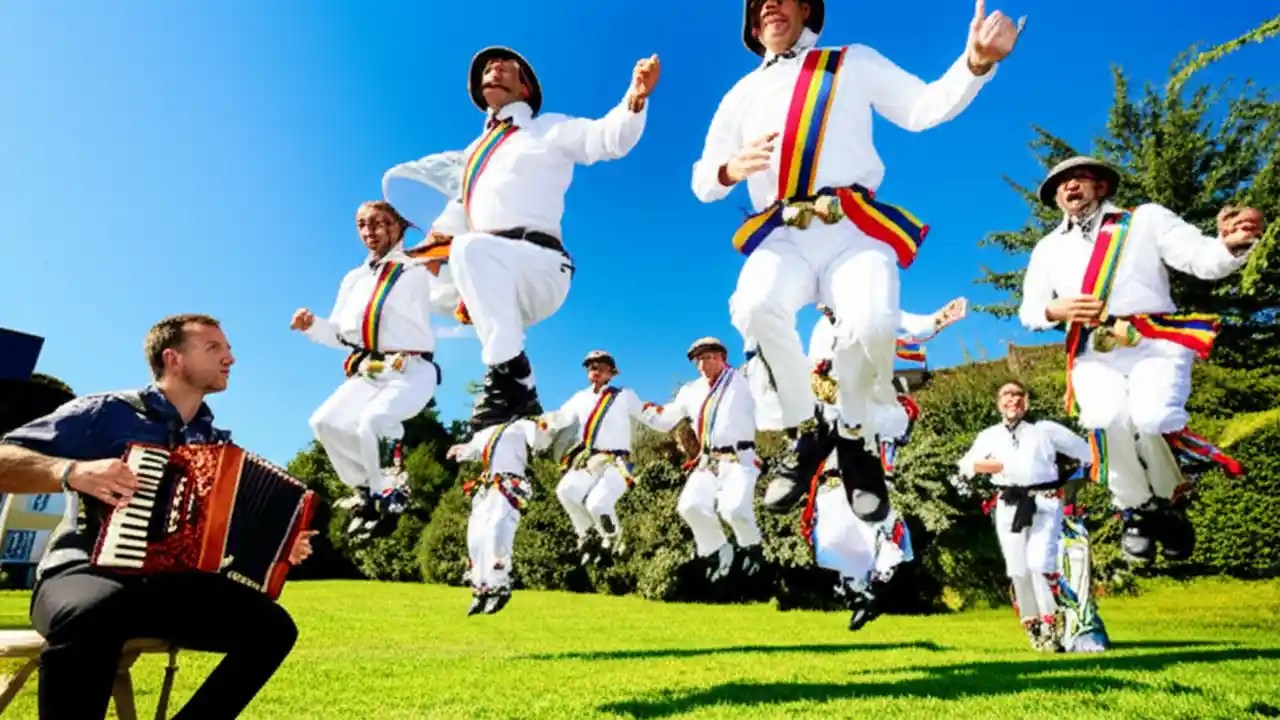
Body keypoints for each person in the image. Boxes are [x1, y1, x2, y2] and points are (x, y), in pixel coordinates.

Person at [692, 0, 1021, 525]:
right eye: (759, 4)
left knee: (872, 322)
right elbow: (703, 179)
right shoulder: (740, 94)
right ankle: (805, 432)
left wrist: (975, 64)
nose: (771, 5)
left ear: (807, 11)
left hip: (853, 228)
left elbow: (922, 108)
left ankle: (855, 435)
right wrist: (729, 169)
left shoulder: (850, 62)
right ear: (754, 25)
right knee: (754, 306)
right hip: (783, 234)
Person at [0, 313, 314, 719]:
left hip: (169, 587)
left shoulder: (216, 444)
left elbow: (226, 534)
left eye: (229, 349)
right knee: (93, 612)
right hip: (83, 571)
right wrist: (72, 472)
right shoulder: (106, 412)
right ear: (174, 359)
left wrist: (284, 545)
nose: (230, 358)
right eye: (214, 348)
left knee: (272, 629)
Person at [1018, 156, 1262, 562]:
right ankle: (1136, 508)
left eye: (1078, 178)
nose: (1069, 187)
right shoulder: (1047, 248)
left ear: (1100, 186)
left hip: (1154, 341)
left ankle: (1171, 501)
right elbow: (1030, 310)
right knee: (1104, 419)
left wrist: (1230, 246)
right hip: (1094, 349)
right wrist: (1053, 311)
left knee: (1152, 418)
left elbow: (1199, 257)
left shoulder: (1144, 220)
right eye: (1059, 184)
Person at [421, 46, 660, 432]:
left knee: (469, 248)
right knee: (436, 270)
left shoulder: (548, 128)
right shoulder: (473, 153)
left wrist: (635, 97)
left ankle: (510, 375)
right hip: (491, 271)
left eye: (505, 65)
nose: (492, 67)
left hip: (540, 265)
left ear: (526, 88)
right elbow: (460, 205)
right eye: (486, 67)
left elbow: (606, 139)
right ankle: (516, 383)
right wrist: (434, 243)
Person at [802, 300, 962, 631]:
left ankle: (873, 582)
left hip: (866, 452)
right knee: (833, 535)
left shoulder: (875, 315)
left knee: (875, 528)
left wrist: (936, 320)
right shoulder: (821, 331)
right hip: (834, 464)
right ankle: (859, 592)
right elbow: (815, 373)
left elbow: (911, 326)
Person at [292, 201, 448, 528]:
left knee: (371, 422)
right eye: (362, 224)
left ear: (401, 226)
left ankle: (386, 493)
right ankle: (368, 489)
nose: (369, 231)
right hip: (371, 370)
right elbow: (340, 334)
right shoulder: (354, 279)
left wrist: (445, 251)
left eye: (379, 223)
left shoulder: (416, 267)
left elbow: (446, 291)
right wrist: (312, 326)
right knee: (324, 422)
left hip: (412, 369)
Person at [955, 381, 1092, 652]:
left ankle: (1053, 622)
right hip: (1009, 503)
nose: (1012, 400)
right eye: (1006, 395)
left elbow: (1088, 455)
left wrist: (1067, 479)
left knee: (1039, 563)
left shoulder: (1045, 430)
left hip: (1044, 501)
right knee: (1018, 569)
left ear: (1026, 401)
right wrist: (992, 465)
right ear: (998, 403)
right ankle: (1033, 625)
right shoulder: (990, 435)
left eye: (1018, 395)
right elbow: (966, 464)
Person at [641, 338, 762, 583]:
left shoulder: (744, 379)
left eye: (708, 357)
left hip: (740, 457)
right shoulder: (691, 391)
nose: (702, 363)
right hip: (708, 461)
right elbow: (667, 419)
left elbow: (767, 371)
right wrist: (638, 410)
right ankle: (717, 550)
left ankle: (752, 548)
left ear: (722, 358)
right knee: (690, 506)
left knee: (734, 509)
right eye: (698, 359)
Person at [540, 350, 648, 564]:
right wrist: (541, 423)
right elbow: (560, 418)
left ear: (611, 372)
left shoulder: (623, 395)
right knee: (565, 490)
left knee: (597, 503)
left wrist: (674, 415)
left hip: (617, 462)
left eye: (600, 367)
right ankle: (588, 536)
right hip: (589, 460)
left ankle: (614, 540)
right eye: (591, 367)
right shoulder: (580, 398)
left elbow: (647, 413)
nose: (595, 371)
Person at [447, 415, 551, 616]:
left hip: (510, 485)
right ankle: (480, 588)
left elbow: (541, 441)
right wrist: (459, 449)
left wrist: (546, 427)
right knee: (475, 538)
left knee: (497, 529)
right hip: (486, 487)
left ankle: (500, 585)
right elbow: (473, 450)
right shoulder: (484, 433)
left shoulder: (523, 425)